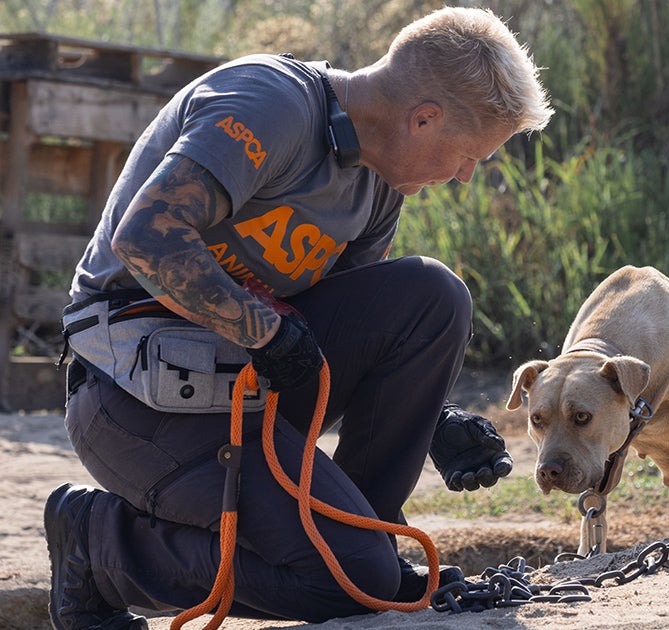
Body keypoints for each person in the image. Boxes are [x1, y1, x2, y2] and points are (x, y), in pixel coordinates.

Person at [45, 6, 553, 628]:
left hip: (243, 385)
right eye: (470, 155)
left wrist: (428, 417)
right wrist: (264, 330)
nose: (466, 176)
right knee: (352, 584)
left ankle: (369, 545)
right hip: (131, 394)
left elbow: (357, 330)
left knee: (433, 296)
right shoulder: (268, 103)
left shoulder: (380, 183)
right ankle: (101, 546)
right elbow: (147, 237)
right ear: (425, 119)